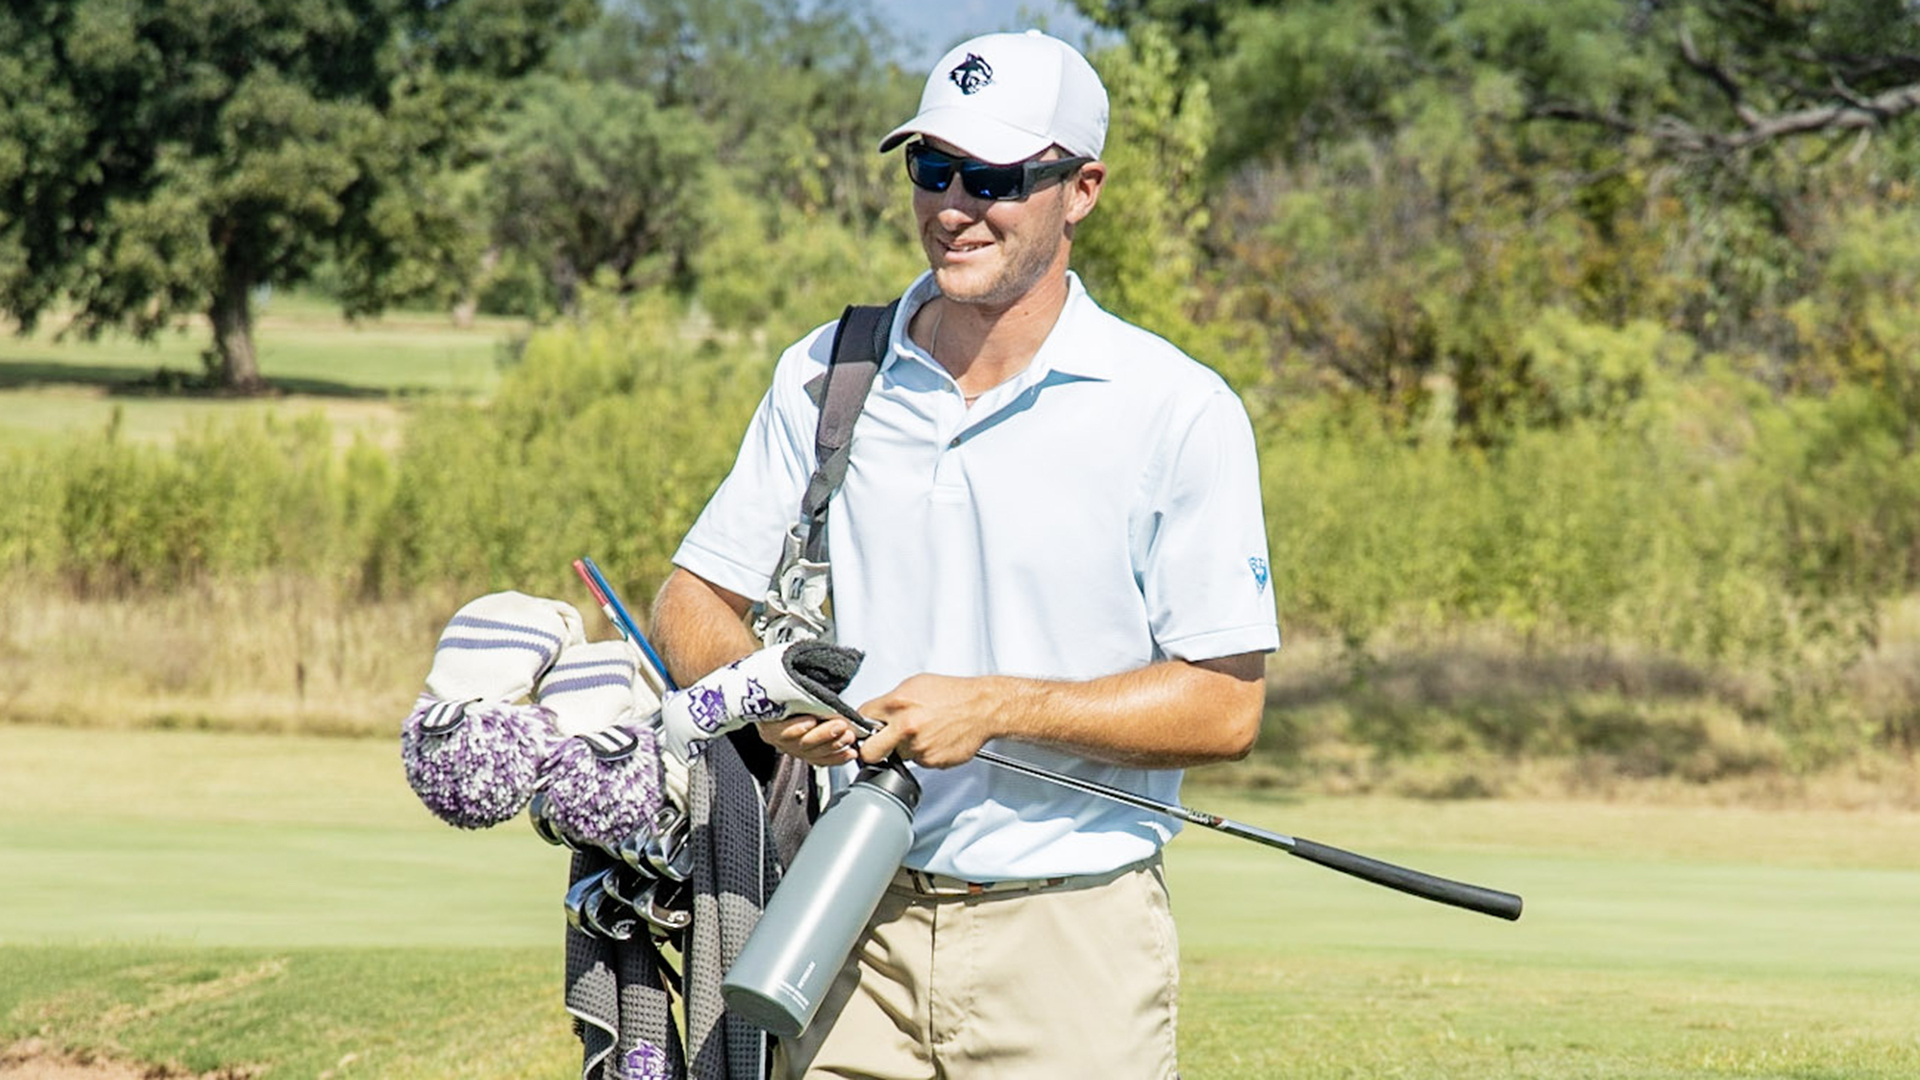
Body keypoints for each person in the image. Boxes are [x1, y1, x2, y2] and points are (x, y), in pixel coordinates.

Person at [651, 29, 1278, 1080]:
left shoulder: (1175, 409)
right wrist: (760, 694)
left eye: (992, 177)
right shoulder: (825, 371)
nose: (952, 205)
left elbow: (1226, 706)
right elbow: (689, 600)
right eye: (929, 168)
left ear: (1081, 189)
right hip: (842, 917)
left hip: (1072, 939)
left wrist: (997, 706)